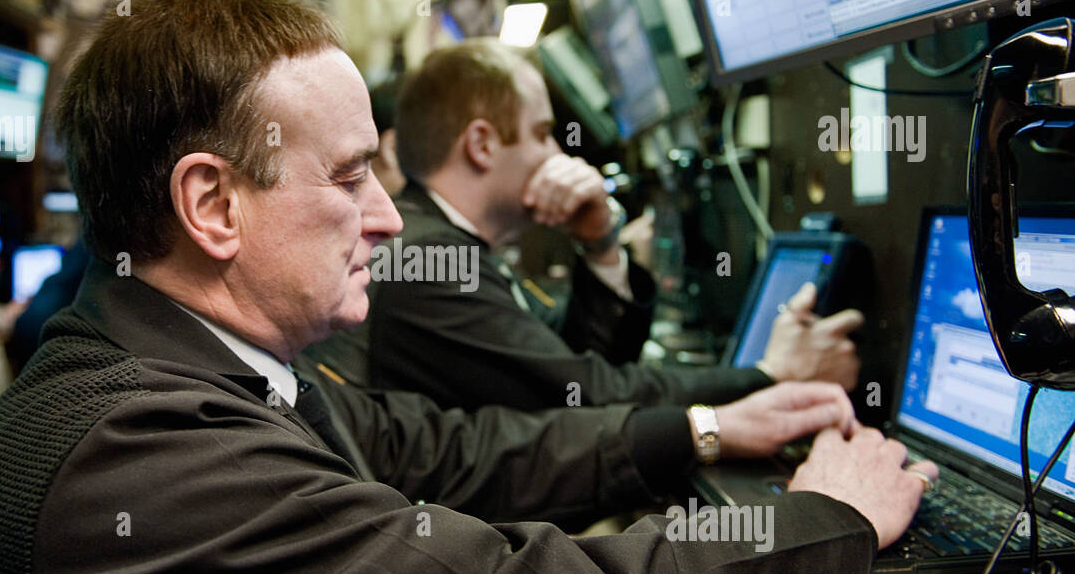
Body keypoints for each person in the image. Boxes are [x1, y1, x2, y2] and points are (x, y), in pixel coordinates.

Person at [0, 0, 936, 574]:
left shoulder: (203, 373)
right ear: (213, 204)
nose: (383, 217)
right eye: (350, 175)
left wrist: (714, 430)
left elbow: (462, 448)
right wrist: (818, 526)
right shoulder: (142, 462)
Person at [328, 38, 862, 413]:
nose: (557, 153)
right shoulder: (433, 260)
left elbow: (572, 371)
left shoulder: (445, 244)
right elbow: (582, 392)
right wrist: (770, 375)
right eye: (542, 133)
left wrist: (601, 246)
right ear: (482, 144)